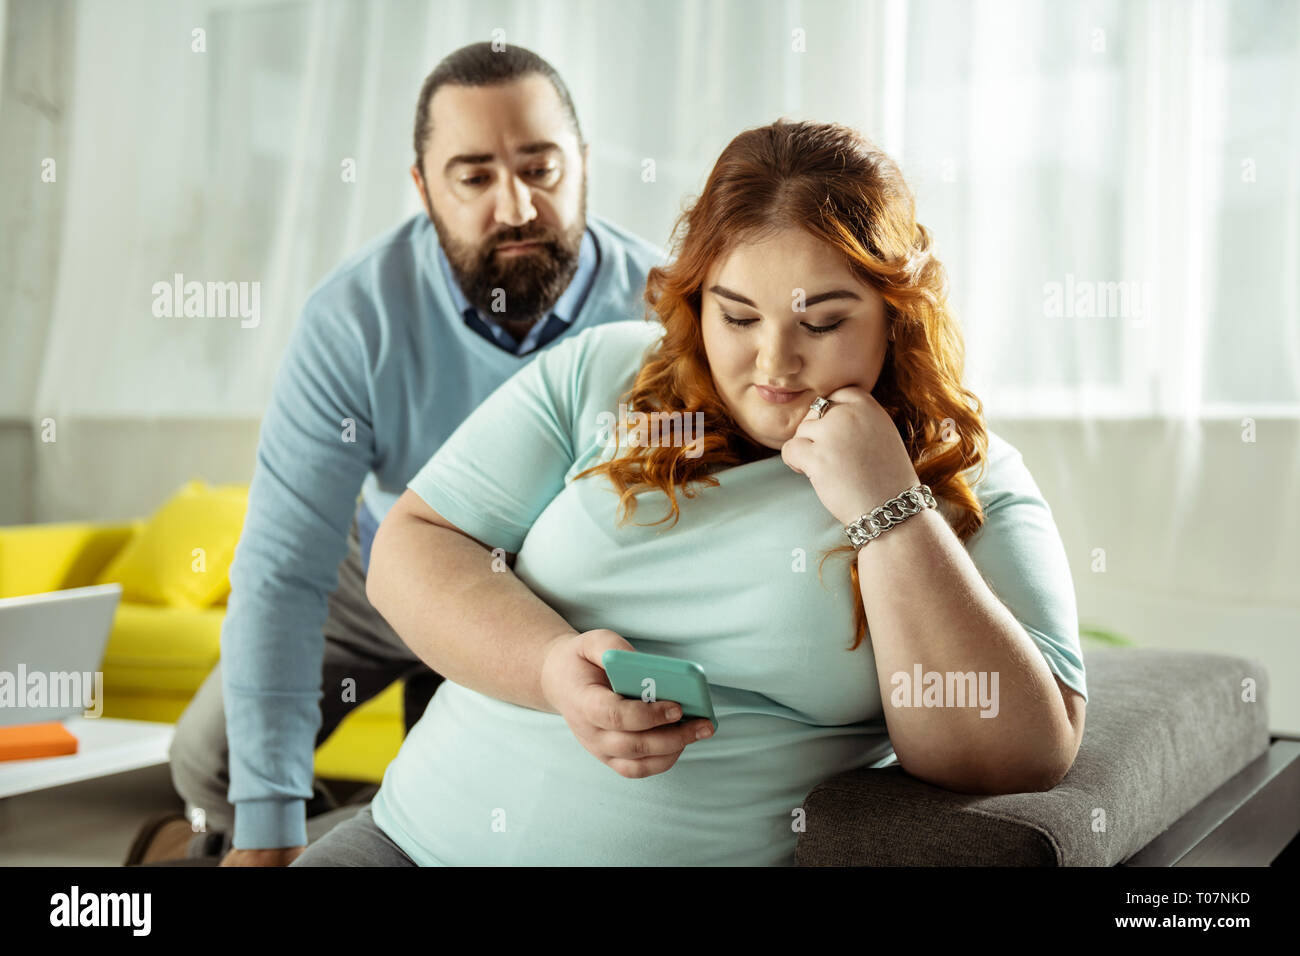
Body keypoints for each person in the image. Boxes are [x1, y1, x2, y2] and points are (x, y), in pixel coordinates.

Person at [292, 118, 1089, 867]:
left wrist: (890, 510)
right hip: (406, 841)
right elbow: (414, 543)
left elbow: (1023, 752)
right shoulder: (604, 373)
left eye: (822, 324)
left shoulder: (963, 477)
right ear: (696, 298)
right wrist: (548, 669)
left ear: (896, 316)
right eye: (737, 316)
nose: (774, 365)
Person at [135, 42, 664, 866]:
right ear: (422, 187)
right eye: (475, 176)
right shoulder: (353, 318)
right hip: (382, 563)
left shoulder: (666, 311)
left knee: (466, 806)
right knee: (215, 767)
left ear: (584, 166)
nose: (517, 206)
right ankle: (192, 847)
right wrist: (267, 831)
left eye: (541, 167)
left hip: (553, 590)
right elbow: (283, 570)